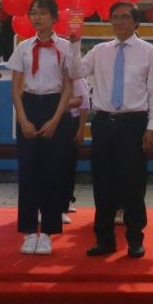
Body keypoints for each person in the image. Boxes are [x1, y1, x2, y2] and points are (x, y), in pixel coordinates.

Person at [68, 1, 153, 258]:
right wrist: (74, 42)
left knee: (133, 183)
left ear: (136, 22)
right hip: (103, 123)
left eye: (124, 17)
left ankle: (134, 239)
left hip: (134, 123)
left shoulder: (148, 52)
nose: (119, 21)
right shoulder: (100, 51)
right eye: (115, 17)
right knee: (103, 183)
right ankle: (104, 239)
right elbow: (75, 70)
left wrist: (152, 126)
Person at [8, 0, 75, 255]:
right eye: (33, 12)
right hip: (29, 106)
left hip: (55, 107)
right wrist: (23, 118)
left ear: (55, 18)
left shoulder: (67, 48)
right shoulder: (23, 48)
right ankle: (27, 231)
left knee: (52, 173)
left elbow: (68, 88)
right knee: (28, 173)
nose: (37, 17)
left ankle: (47, 231)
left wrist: (56, 119)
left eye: (43, 13)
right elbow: (15, 88)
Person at [63, 77, 90, 223]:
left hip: (69, 122)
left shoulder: (75, 76)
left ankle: (66, 200)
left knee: (68, 164)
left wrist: (80, 129)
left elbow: (83, 103)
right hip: (51, 120)